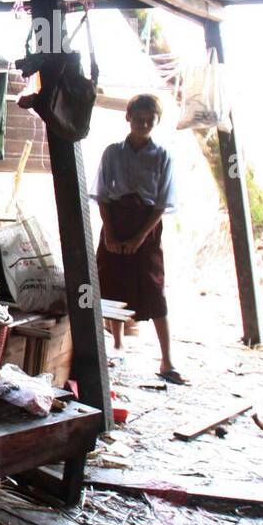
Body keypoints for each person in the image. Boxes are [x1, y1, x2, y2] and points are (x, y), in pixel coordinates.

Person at [91, 93, 181, 383]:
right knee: (112, 283)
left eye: (149, 120)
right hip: (116, 221)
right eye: (138, 118)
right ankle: (117, 345)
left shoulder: (162, 156)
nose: (143, 124)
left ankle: (167, 361)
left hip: (147, 226)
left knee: (153, 289)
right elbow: (103, 195)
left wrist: (140, 237)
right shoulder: (112, 153)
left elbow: (161, 203)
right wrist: (112, 233)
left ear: (156, 122)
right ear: (127, 117)